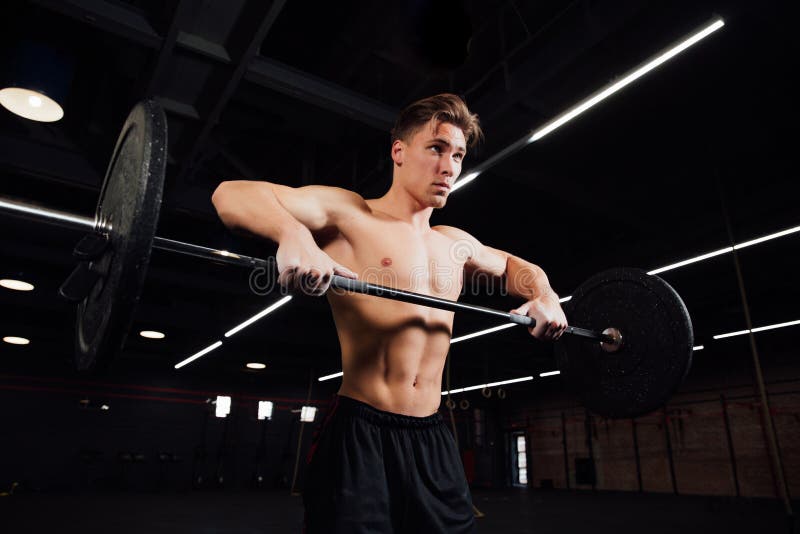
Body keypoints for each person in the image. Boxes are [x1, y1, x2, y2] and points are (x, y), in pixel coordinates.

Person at [212, 93, 568, 533]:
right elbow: (231, 194)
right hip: (361, 433)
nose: (449, 167)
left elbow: (519, 267)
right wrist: (294, 235)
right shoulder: (350, 214)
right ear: (399, 151)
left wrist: (545, 294)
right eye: (436, 148)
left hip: (433, 437)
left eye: (457, 154)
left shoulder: (454, 244)